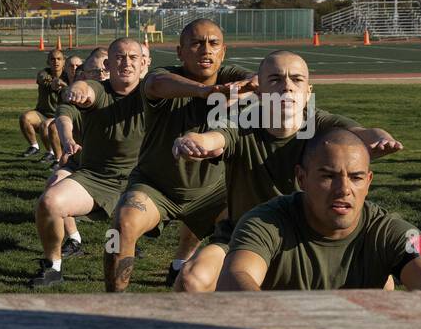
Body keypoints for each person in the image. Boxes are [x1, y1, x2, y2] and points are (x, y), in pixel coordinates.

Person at [172, 50, 402, 292]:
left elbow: (363, 133)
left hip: (309, 238)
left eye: (296, 79)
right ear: (260, 91)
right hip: (242, 236)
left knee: (382, 283)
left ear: (308, 91)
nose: (287, 87)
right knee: (191, 279)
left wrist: (381, 138)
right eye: (276, 79)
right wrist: (193, 141)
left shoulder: (321, 125)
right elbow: (214, 138)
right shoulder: (241, 121)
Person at [104, 18, 254, 292]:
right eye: (196, 43)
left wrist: (261, 85)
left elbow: (259, 82)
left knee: (248, 233)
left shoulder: (233, 78)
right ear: (180, 51)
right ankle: (113, 302)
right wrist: (206, 92)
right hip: (156, 186)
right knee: (120, 227)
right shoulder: (162, 77)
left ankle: (191, 278)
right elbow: (155, 83)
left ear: (223, 51)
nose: (205, 50)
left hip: (214, 192)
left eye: (213, 44)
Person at [220, 128, 421, 291]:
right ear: (301, 178)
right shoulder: (266, 223)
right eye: (328, 176)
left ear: (368, 182)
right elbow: (235, 277)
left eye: (356, 178)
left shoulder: (390, 232)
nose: (344, 189)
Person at [31, 38, 145, 287]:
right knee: (50, 201)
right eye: (119, 57)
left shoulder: (154, 91)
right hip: (96, 177)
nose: (126, 63)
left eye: (133, 57)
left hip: (144, 180)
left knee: (203, 196)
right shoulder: (97, 90)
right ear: (109, 64)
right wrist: (67, 138)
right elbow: (73, 104)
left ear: (143, 63)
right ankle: (54, 266)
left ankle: (180, 262)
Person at [19, 50, 67, 162]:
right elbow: (43, 79)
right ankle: (34, 146)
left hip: (60, 115)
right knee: (25, 117)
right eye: (53, 59)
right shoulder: (43, 73)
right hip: (42, 113)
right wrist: (54, 83)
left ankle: (52, 153)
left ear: (64, 61)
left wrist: (64, 85)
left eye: (59, 59)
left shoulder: (68, 75)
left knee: (45, 125)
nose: (56, 61)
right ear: (48, 62)